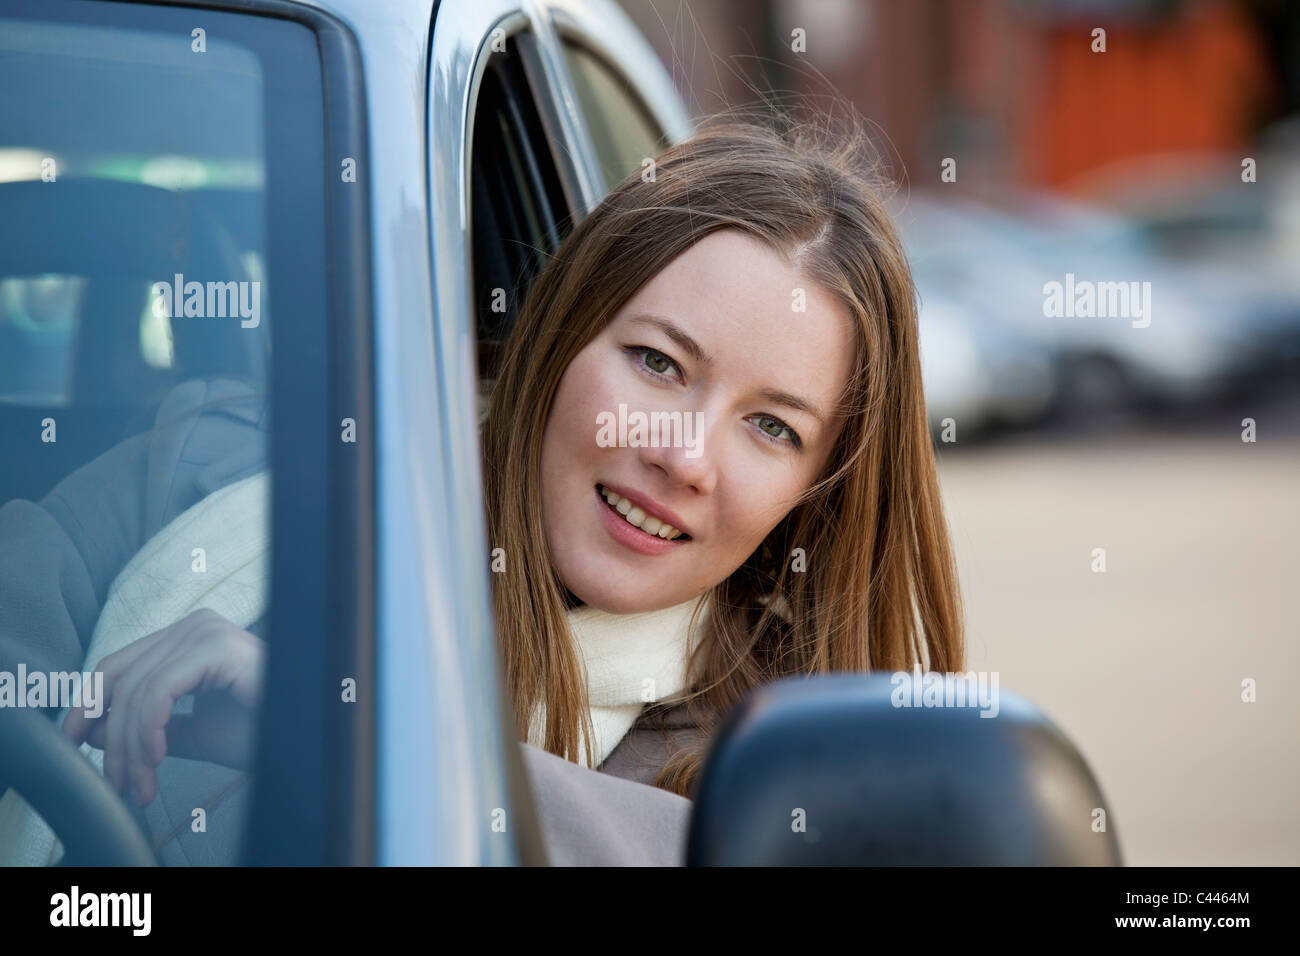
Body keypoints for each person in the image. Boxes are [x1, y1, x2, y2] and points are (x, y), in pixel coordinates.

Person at [6, 114, 966, 864]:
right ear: (559, 337)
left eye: (771, 427)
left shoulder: (778, 767)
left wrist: (341, 733)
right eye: (657, 363)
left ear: (814, 491)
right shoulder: (204, 473)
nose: (684, 456)